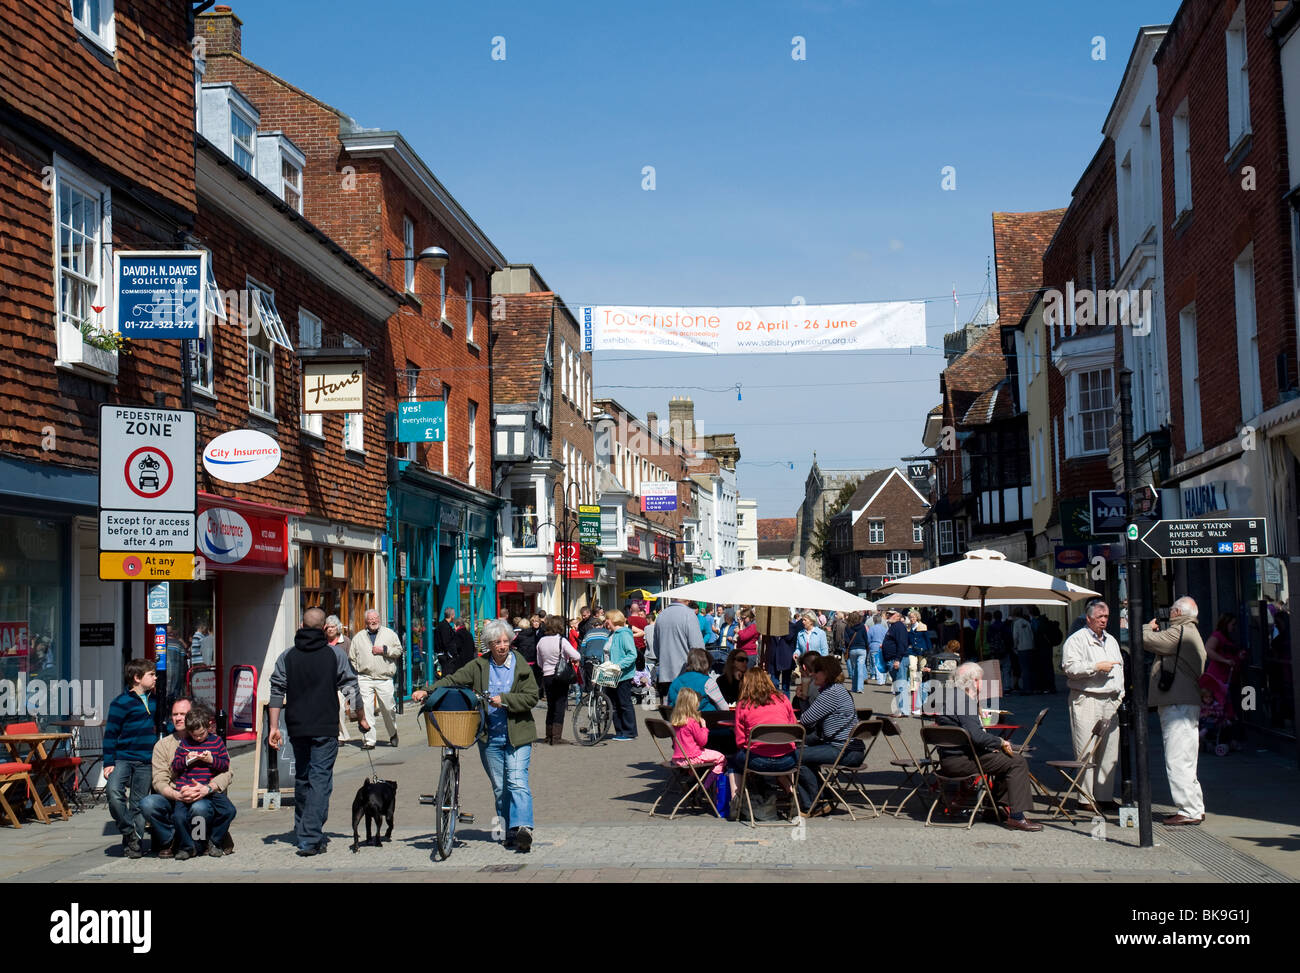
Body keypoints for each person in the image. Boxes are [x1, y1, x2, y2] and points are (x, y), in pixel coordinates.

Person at [413, 619, 540, 851]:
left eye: (505, 641)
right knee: (501, 788)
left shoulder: (521, 666)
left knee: (517, 781)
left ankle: (524, 828)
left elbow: (532, 697)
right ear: (489, 645)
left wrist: (506, 700)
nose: (502, 646)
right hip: (490, 736)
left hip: (518, 734)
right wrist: (427, 690)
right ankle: (507, 830)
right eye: (496, 642)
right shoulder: (479, 665)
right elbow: (453, 679)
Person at [268, 607, 367, 856]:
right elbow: (350, 686)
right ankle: (310, 837)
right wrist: (362, 718)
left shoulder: (287, 657)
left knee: (303, 778)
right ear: (324, 628)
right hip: (324, 726)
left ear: (301, 625)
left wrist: (272, 727)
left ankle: (303, 827)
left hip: (297, 726)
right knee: (320, 780)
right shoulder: (334, 655)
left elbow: (277, 691)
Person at [934, 662, 1042, 831]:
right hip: (961, 761)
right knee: (1017, 761)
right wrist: (1000, 742)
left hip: (950, 759)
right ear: (975, 681)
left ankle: (993, 808)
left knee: (1004, 760)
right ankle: (1016, 816)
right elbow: (977, 736)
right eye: (981, 680)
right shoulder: (963, 701)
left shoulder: (952, 697)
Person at [140, 697, 237, 860]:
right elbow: (159, 780)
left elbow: (227, 771)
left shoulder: (213, 741)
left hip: (204, 793)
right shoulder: (164, 745)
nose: (178, 718)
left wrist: (207, 788)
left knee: (201, 808)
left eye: (183, 714)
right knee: (147, 804)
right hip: (177, 794)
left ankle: (202, 842)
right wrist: (178, 794)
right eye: (174, 714)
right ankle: (171, 840)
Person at [1144, 596, 1208, 826]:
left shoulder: (1180, 632)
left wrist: (1146, 627)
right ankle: (1195, 808)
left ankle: (1188, 810)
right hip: (1184, 702)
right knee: (1187, 758)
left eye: (1171, 610)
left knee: (1177, 758)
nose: (1168, 613)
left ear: (1179, 613)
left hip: (1178, 704)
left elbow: (1147, 640)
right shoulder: (1188, 632)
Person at [1060, 600, 1124, 809]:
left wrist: (1120, 693)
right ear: (1088, 618)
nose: (1104, 621)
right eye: (1099, 617)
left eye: (1106, 617)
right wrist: (1095, 667)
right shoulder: (1076, 640)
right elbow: (1069, 667)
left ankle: (1104, 795)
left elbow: (1119, 667)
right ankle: (1085, 797)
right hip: (1087, 698)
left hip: (1110, 699)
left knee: (1109, 749)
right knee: (1086, 748)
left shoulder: (1112, 640)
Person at [103, 658, 159, 859]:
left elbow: (165, 726)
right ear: (137, 678)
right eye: (151, 674)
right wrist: (108, 762)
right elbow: (110, 734)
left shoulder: (157, 701)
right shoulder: (120, 703)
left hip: (146, 761)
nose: (155, 677)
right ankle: (130, 832)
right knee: (113, 792)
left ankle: (133, 846)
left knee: (138, 804)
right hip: (123, 758)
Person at [796, 655, 861, 813]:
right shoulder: (837, 690)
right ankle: (821, 798)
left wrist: (802, 698)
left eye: (816, 671)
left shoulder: (831, 693)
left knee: (794, 756)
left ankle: (816, 802)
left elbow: (806, 720)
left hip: (843, 750)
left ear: (826, 673)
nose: (812, 674)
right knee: (803, 755)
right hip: (850, 748)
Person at [730, 669, 799, 811]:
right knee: (782, 751)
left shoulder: (743, 704)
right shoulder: (783, 699)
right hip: (787, 761)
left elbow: (740, 741)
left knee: (733, 762)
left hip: (757, 761)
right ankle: (791, 794)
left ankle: (735, 800)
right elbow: (794, 727)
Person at [349, 609, 402, 750]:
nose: (373, 621)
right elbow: (352, 657)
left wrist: (384, 650)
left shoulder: (389, 634)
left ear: (379, 619)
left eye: (375, 618)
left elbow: (399, 651)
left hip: (384, 677)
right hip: (365, 677)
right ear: (366, 621)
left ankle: (393, 733)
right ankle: (369, 740)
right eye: (370, 619)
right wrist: (360, 669)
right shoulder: (359, 637)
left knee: (388, 708)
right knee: (366, 708)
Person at [669, 688, 727, 797]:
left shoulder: (675, 721)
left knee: (705, 763)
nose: (698, 705)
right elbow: (703, 742)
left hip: (678, 759)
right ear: (691, 705)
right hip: (692, 757)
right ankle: (704, 788)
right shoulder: (692, 722)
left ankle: (693, 783)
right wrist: (704, 727)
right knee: (721, 758)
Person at [537, 614, 580, 745]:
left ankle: (548, 735)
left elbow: (539, 662)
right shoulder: (561, 640)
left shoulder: (541, 641)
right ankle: (556, 737)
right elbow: (576, 655)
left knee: (550, 705)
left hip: (547, 676)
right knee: (560, 705)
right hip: (560, 676)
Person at [651, 598, 705, 699]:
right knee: (688, 711)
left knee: (671, 711)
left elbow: (656, 647)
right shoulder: (689, 614)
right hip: (686, 675)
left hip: (665, 675)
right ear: (688, 601)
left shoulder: (661, 616)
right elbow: (698, 648)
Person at [604, 610, 639, 741]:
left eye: (607, 619)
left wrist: (618, 665)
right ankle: (619, 731)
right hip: (610, 674)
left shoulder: (624, 634)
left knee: (624, 703)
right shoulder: (612, 634)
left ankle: (629, 731)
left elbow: (632, 654)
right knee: (613, 704)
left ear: (612, 620)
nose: (605, 621)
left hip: (622, 675)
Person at [324, 615, 353, 743]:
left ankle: (340, 736)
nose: (330, 629)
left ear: (338, 628)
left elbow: (350, 660)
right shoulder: (322, 641)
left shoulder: (345, 641)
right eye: (328, 627)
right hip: (325, 681)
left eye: (333, 626)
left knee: (340, 708)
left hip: (340, 682)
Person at [880, 609, 912, 716]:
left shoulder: (899, 626)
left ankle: (903, 710)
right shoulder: (894, 626)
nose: (888, 615)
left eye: (891, 614)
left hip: (898, 660)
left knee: (900, 685)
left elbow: (902, 644)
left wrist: (898, 659)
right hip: (894, 659)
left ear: (898, 615)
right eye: (888, 613)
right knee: (898, 685)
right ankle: (901, 709)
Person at [579, 614, 611, 684]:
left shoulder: (588, 633)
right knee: (602, 680)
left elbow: (582, 648)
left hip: (590, 657)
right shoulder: (607, 633)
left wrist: (581, 662)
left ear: (592, 626)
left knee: (590, 677)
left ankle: (591, 690)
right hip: (603, 658)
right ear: (602, 625)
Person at [844, 611, 869, 692]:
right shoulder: (862, 626)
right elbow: (865, 637)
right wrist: (866, 646)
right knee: (860, 668)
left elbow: (846, 639)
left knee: (854, 668)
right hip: (862, 648)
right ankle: (860, 688)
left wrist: (847, 647)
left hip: (852, 649)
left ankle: (854, 687)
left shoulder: (847, 627)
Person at [1012, 609, 1035, 694]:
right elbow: (1032, 635)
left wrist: (1014, 647)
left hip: (1022, 648)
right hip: (1030, 647)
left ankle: (1026, 689)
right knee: (1030, 669)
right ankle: (1031, 687)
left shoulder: (1016, 623)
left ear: (1015, 615)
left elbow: (1015, 637)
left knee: (1024, 669)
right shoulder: (1027, 622)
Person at [867, 612, 889, 685]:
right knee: (883, 663)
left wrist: (869, 646)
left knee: (876, 664)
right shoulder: (884, 629)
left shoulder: (871, 629)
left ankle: (880, 680)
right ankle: (884, 678)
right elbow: (887, 638)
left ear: (874, 621)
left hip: (874, 647)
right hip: (884, 647)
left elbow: (868, 639)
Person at [434, 607, 456, 675]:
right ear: (451, 615)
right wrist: (451, 654)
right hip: (444, 656)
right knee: (446, 675)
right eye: (454, 614)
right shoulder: (445, 626)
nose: (454, 616)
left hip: (443, 655)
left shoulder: (442, 625)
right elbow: (446, 642)